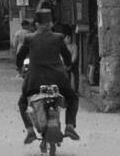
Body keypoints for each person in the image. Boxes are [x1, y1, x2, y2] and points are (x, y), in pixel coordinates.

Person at [16, 9, 80, 143]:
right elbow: (67, 56)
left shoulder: (29, 38)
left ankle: (30, 131)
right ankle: (69, 126)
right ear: (50, 24)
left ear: (37, 24)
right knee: (72, 98)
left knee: (22, 102)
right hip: (58, 79)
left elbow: (20, 56)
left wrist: (19, 67)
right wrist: (67, 66)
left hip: (34, 80)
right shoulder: (58, 37)